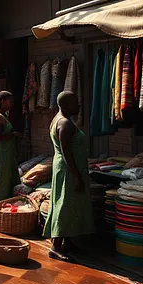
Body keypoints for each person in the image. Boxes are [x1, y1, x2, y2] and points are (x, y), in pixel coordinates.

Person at [43, 92, 95, 262]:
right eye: (75, 103)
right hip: (67, 170)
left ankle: (68, 241)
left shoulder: (58, 119)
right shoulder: (64, 123)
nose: (79, 105)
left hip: (65, 168)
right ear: (66, 105)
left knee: (70, 204)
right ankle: (56, 247)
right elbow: (67, 153)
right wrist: (76, 176)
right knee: (64, 205)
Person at [0, 91, 22, 201]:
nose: (12, 104)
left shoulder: (4, 115)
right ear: (3, 101)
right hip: (1, 151)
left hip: (7, 151)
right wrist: (13, 134)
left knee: (9, 175)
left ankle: (9, 200)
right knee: (1, 177)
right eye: (10, 101)